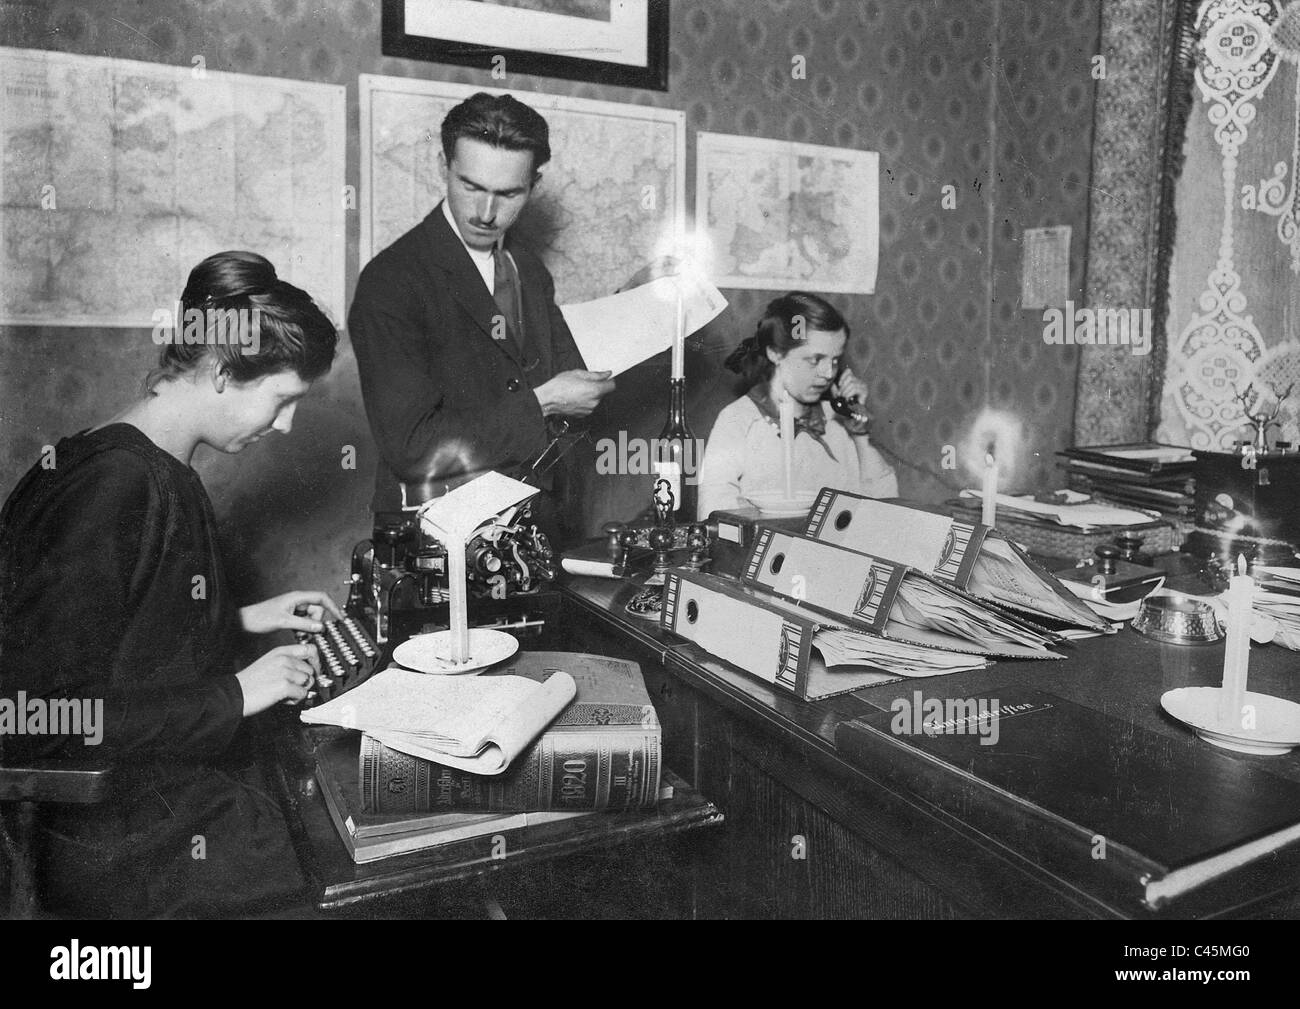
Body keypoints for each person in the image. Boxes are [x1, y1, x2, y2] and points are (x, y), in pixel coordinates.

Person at [0, 251, 340, 918]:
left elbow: (120, 629)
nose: (285, 424)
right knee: (332, 856)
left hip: (147, 799)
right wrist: (239, 691)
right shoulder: (115, 485)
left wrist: (241, 618)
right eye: (284, 399)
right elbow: (34, 713)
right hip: (107, 835)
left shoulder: (134, 457)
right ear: (220, 372)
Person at [348, 91, 615, 540]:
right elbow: (411, 447)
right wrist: (544, 401)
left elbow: (562, 370)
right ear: (442, 167)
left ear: (535, 183)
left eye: (509, 193)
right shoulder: (391, 281)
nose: (487, 214)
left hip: (531, 528)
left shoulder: (528, 270)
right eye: (471, 186)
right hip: (432, 538)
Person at [697, 292, 898, 518]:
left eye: (835, 360)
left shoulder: (836, 421)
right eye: (815, 360)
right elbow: (713, 511)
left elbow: (885, 512)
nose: (828, 373)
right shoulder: (738, 420)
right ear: (775, 353)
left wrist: (860, 435)